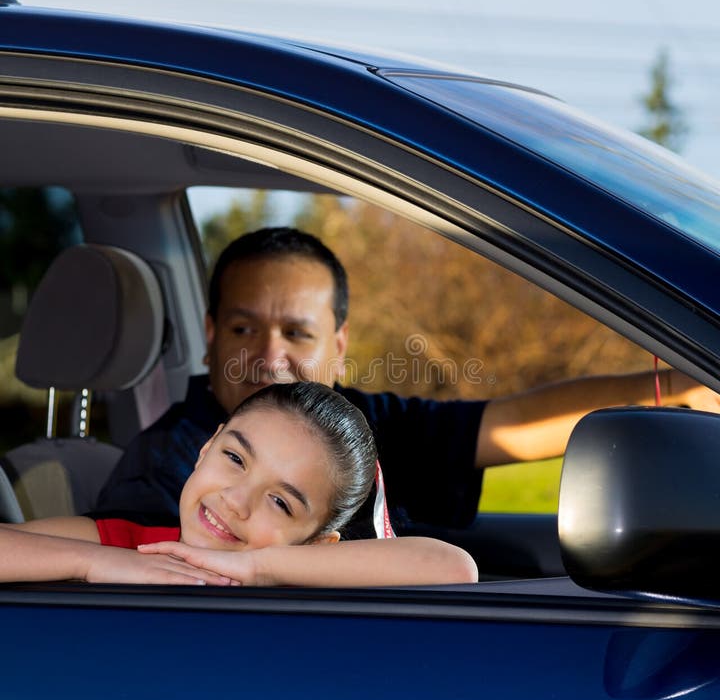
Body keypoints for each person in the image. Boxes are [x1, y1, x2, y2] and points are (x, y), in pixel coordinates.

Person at [94, 226, 720, 538]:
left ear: (338, 346)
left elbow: (510, 426)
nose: (270, 356)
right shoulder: (166, 464)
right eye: (243, 329)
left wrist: (684, 389)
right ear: (211, 334)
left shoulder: (363, 424)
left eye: (298, 333)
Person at [0, 382, 478, 586]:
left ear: (317, 543)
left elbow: (454, 568)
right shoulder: (133, 544)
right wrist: (95, 563)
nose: (236, 500)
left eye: (280, 502)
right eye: (234, 458)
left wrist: (261, 568)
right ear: (206, 448)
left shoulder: (311, 579)